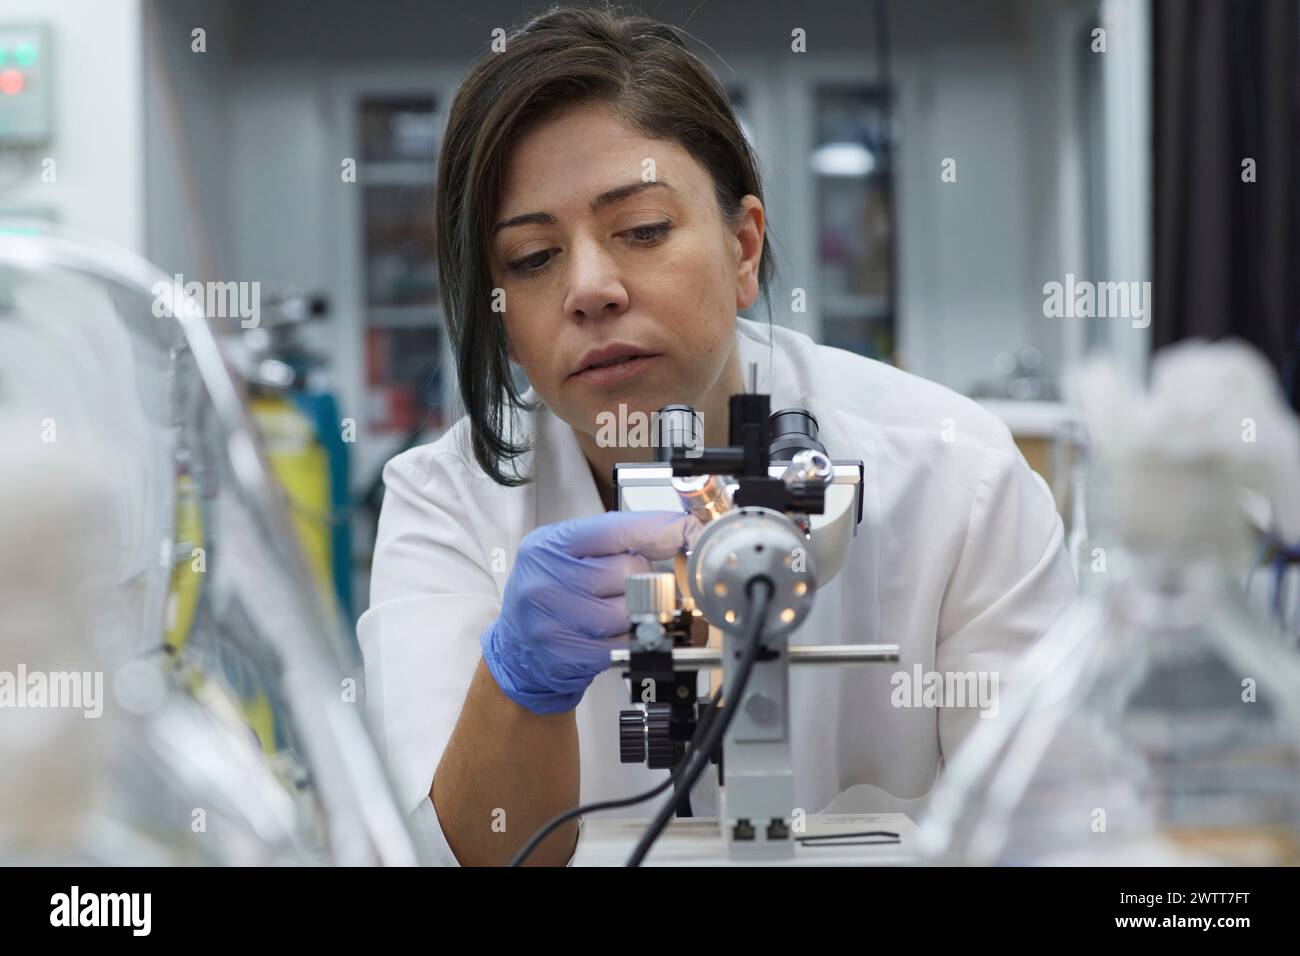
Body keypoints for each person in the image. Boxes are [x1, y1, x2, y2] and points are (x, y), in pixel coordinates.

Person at [357, 6, 1077, 866]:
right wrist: (519, 687)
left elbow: (1055, 838)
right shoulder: (448, 506)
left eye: (644, 230)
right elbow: (453, 858)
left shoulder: (957, 477)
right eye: (533, 258)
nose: (590, 288)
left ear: (743, 249)